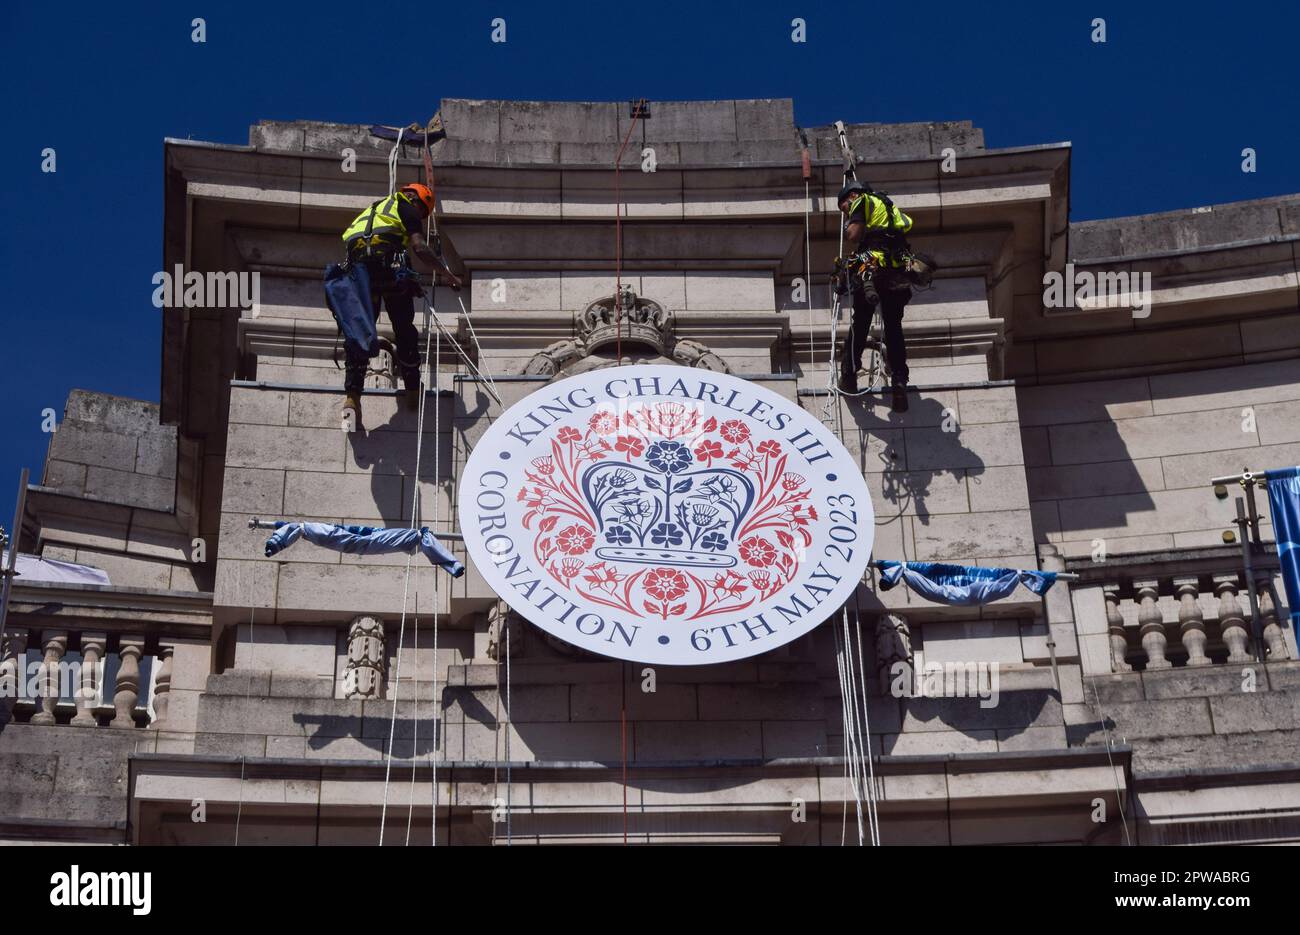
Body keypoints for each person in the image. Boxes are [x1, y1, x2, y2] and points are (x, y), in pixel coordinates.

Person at [338, 183, 461, 417]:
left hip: (358, 275)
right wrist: (448, 275)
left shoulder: (373, 211)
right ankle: (413, 389)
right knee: (404, 330)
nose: (420, 217)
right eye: (422, 212)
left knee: (360, 333)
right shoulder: (405, 207)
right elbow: (419, 246)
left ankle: (352, 396)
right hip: (387, 272)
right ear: (415, 198)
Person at [835, 180, 914, 412]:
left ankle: (849, 374)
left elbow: (854, 234)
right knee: (893, 327)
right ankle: (900, 378)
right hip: (897, 270)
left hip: (873, 267)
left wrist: (849, 226)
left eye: (844, 208)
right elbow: (905, 226)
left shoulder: (861, 201)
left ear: (851, 197)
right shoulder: (889, 206)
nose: (847, 212)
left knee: (860, 323)